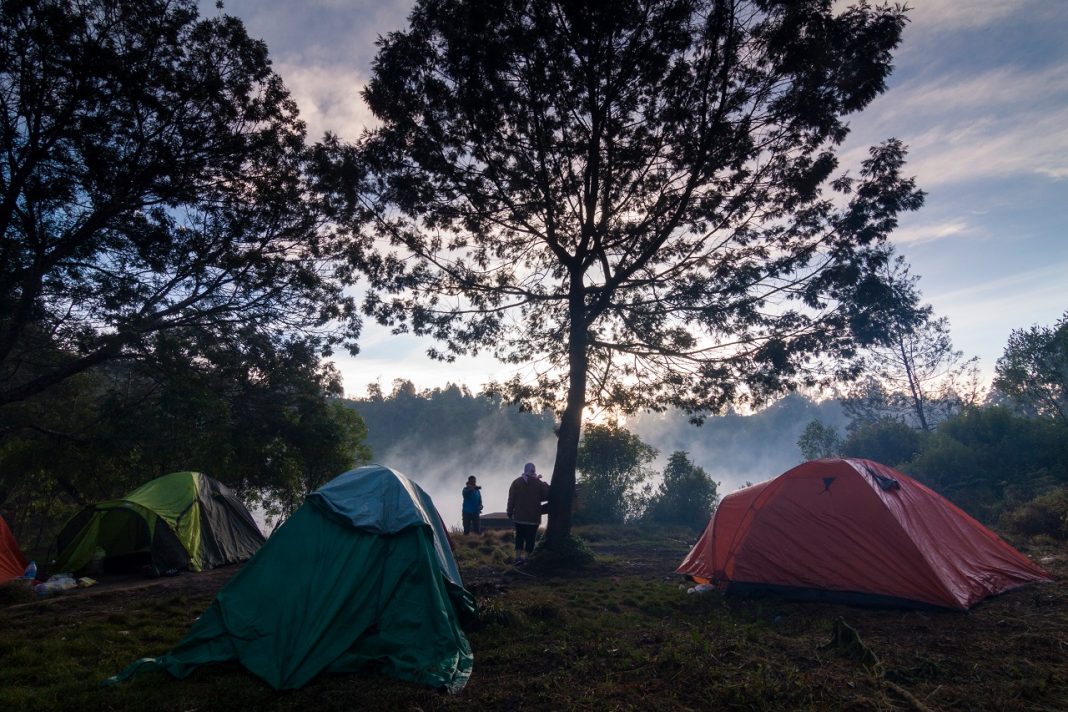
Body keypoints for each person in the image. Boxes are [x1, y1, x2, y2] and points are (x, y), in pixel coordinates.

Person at [506, 462, 550, 564]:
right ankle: (526, 559)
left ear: (525, 469)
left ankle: (517, 558)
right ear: (534, 470)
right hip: (533, 518)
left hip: (520, 517)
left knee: (520, 537)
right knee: (530, 538)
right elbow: (547, 495)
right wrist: (543, 483)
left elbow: (511, 498)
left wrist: (509, 510)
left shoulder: (516, 482)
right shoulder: (538, 483)